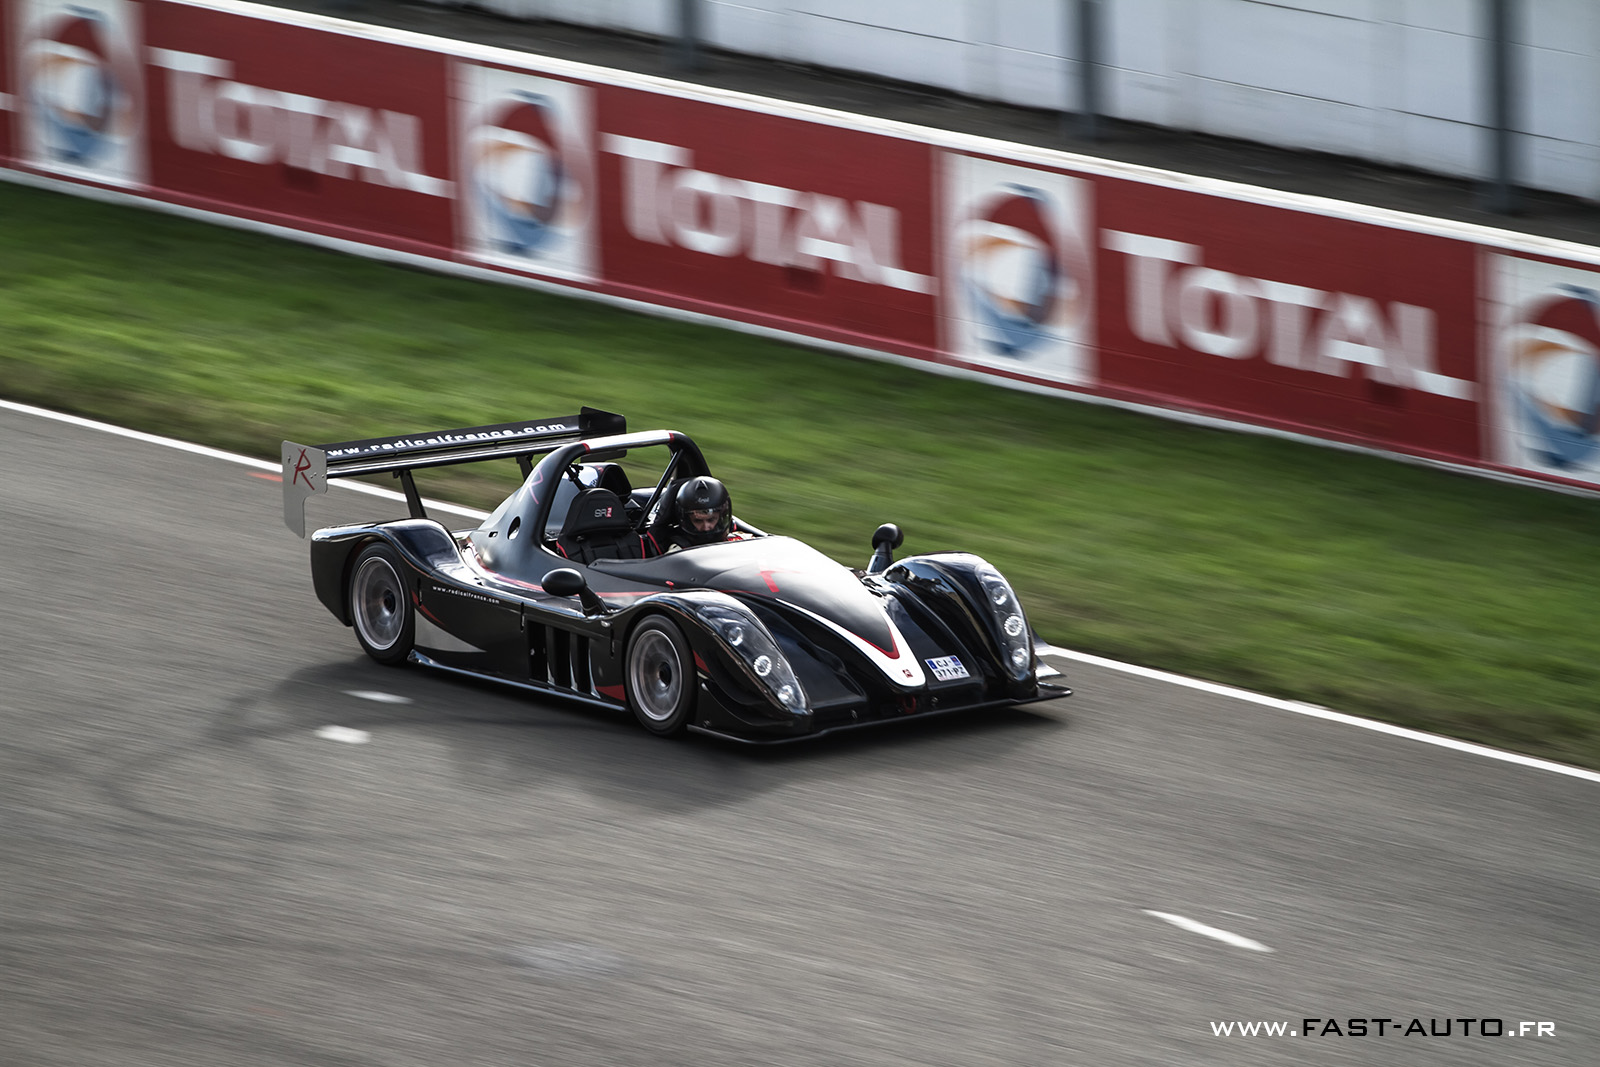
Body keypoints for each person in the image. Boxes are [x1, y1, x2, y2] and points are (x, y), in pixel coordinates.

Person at [669, 475, 732, 548]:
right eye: (698, 521)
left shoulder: (740, 540)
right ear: (687, 521)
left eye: (711, 520)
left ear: (721, 517)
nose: (706, 527)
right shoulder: (677, 552)